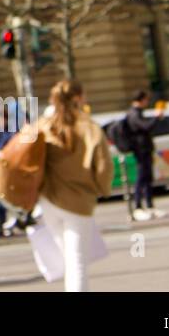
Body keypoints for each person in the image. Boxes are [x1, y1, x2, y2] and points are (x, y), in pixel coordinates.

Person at [35, 80, 114, 292]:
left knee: (70, 259)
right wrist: (102, 189)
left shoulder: (43, 125)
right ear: (78, 98)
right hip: (78, 200)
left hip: (49, 199)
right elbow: (104, 166)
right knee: (77, 261)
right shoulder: (88, 127)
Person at [125, 89, 164, 220]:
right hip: (140, 150)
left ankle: (149, 205)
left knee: (147, 178)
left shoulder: (137, 113)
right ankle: (138, 206)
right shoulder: (134, 114)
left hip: (144, 149)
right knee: (141, 178)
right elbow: (145, 126)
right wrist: (156, 118)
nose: (147, 102)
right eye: (146, 99)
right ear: (141, 100)